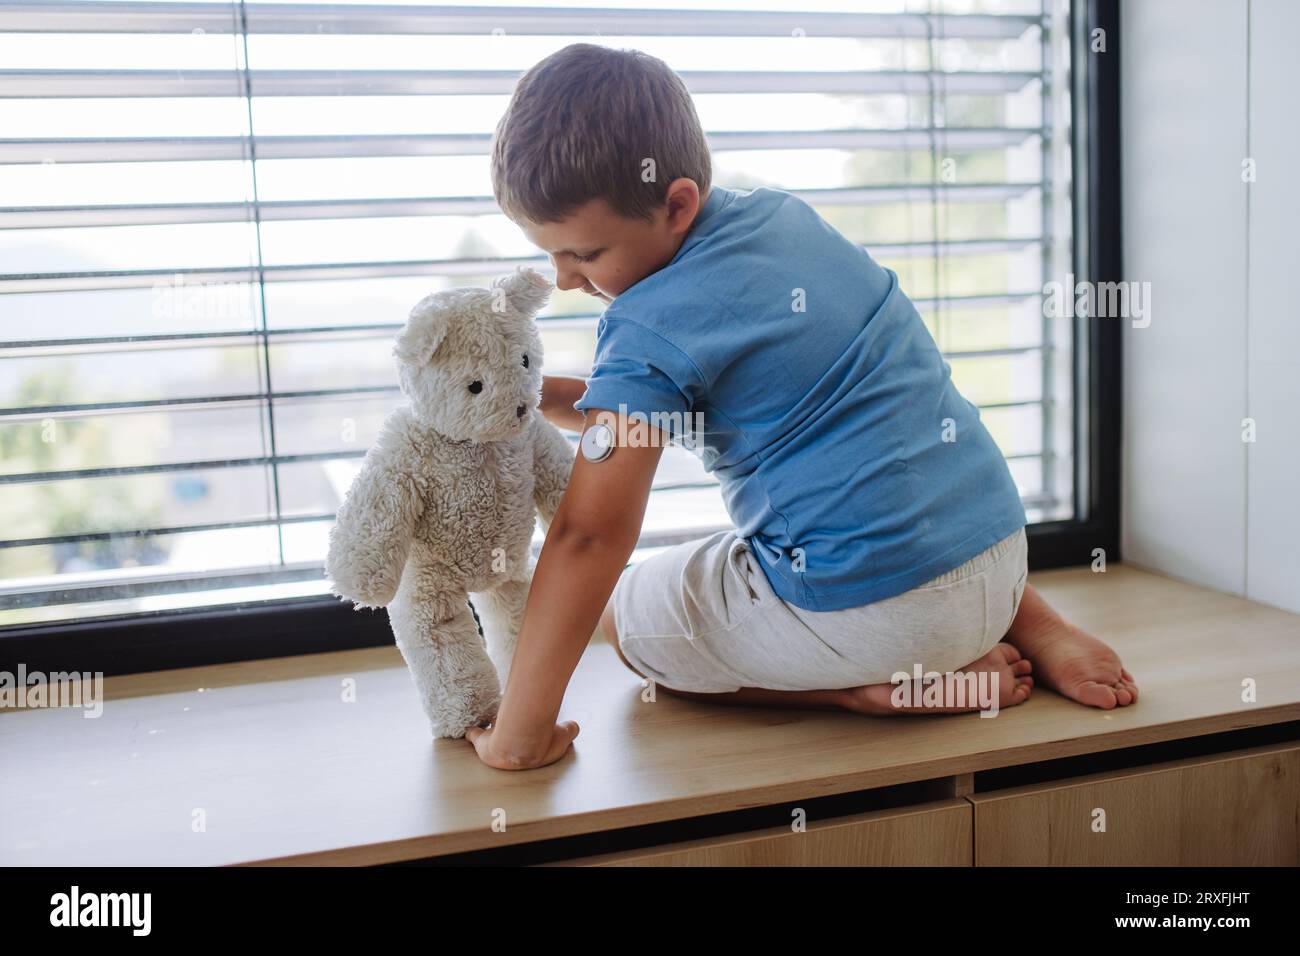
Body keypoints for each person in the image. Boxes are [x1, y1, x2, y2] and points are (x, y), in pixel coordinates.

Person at [467, 43, 1137, 771]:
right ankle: (1037, 627)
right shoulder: (785, 222)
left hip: (880, 621)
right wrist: (527, 398)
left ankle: (861, 694)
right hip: (998, 554)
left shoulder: (645, 325)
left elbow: (589, 537)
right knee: (901, 490)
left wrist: (520, 737)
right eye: (551, 254)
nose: (565, 280)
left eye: (585, 255)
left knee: (625, 624)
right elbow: (651, 413)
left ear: (677, 204)